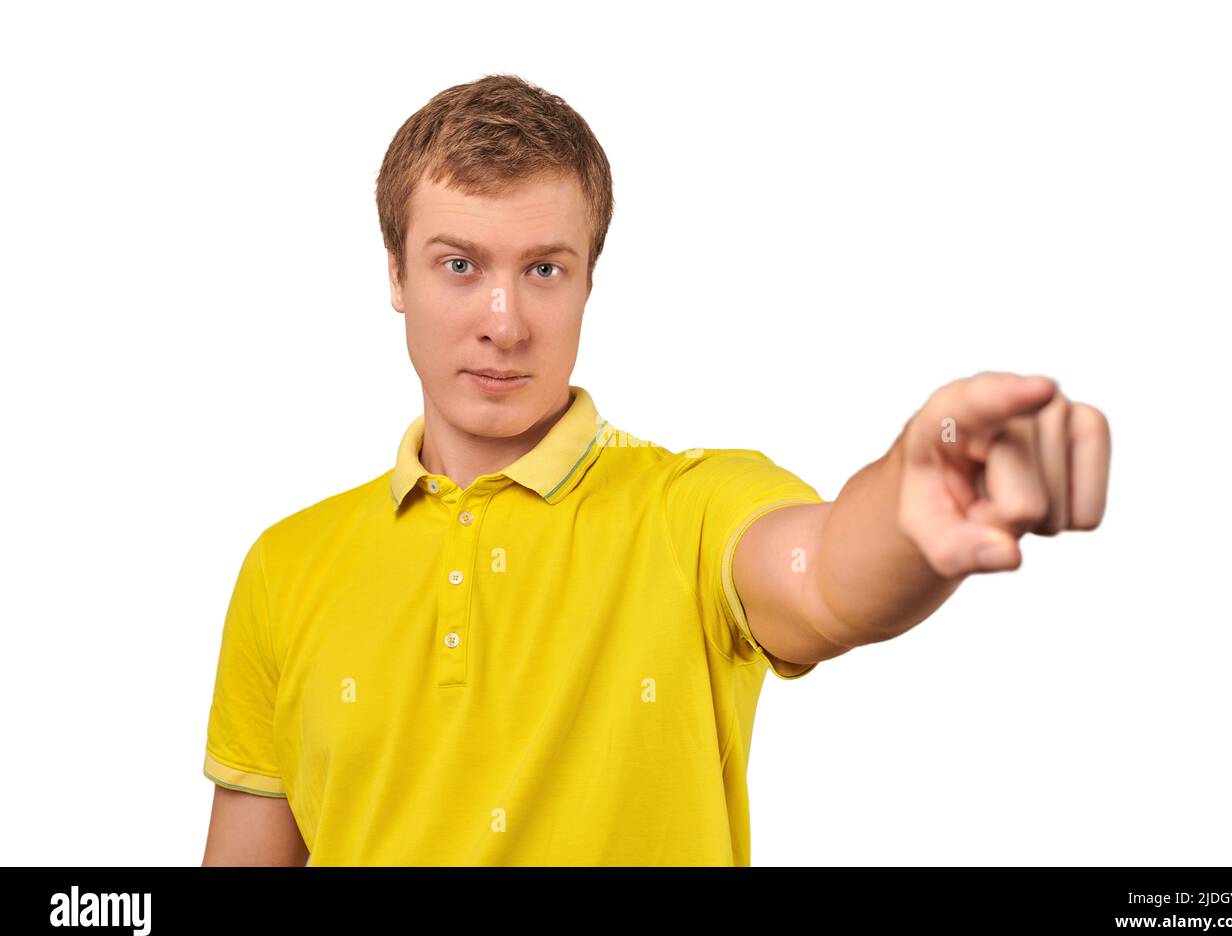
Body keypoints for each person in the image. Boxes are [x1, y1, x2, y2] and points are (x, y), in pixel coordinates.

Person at [201, 73, 1111, 867]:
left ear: (590, 279)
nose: (505, 320)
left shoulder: (690, 507)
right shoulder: (286, 566)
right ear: (396, 274)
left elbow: (824, 575)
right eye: (459, 265)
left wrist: (911, 522)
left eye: (546, 269)